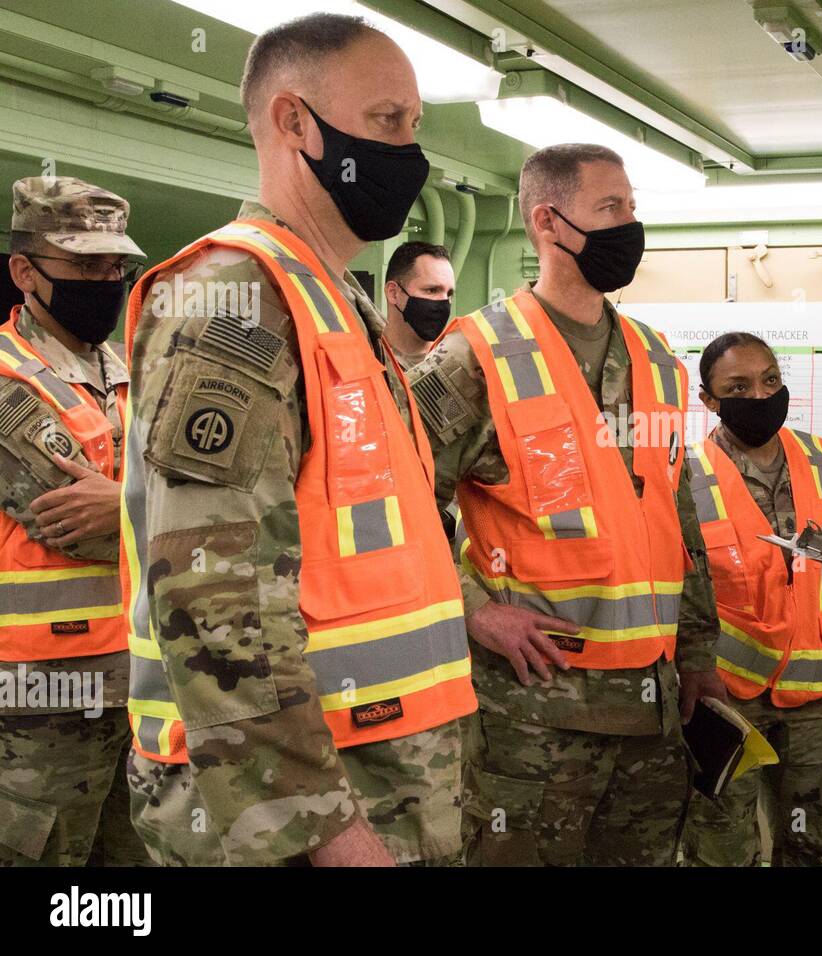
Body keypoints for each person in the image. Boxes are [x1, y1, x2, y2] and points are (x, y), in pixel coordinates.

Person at [120, 12, 475, 867]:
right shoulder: (234, 299)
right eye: (387, 122)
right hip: (295, 820)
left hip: (380, 778)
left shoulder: (336, 302)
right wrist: (323, 828)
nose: (409, 151)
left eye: (414, 126)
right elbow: (211, 596)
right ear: (294, 123)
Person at [406, 142, 727, 866]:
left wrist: (699, 654)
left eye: (633, 208)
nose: (630, 226)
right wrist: (475, 610)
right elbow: (397, 505)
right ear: (549, 223)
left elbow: (679, 520)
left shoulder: (656, 358)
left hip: (652, 705)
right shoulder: (473, 357)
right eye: (610, 209)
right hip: (534, 715)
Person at [0, 175, 150, 866]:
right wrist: (150, 504)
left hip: (137, 683)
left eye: (116, 265)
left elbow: (196, 502)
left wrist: (122, 501)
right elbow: (69, 520)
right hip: (42, 701)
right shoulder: (9, 379)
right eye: (85, 265)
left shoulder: (124, 372)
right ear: (25, 272)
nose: (107, 280)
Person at [679, 332, 822, 867]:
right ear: (709, 401)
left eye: (771, 381)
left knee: (810, 844)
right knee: (723, 847)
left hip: (811, 699)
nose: (761, 396)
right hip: (724, 699)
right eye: (738, 386)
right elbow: (678, 587)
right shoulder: (686, 475)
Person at [382, 240, 455, 367]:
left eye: (449, 294)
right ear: (393, 293)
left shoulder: (458, 361)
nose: (444, 302)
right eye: (432, 290)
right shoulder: (368, 356)